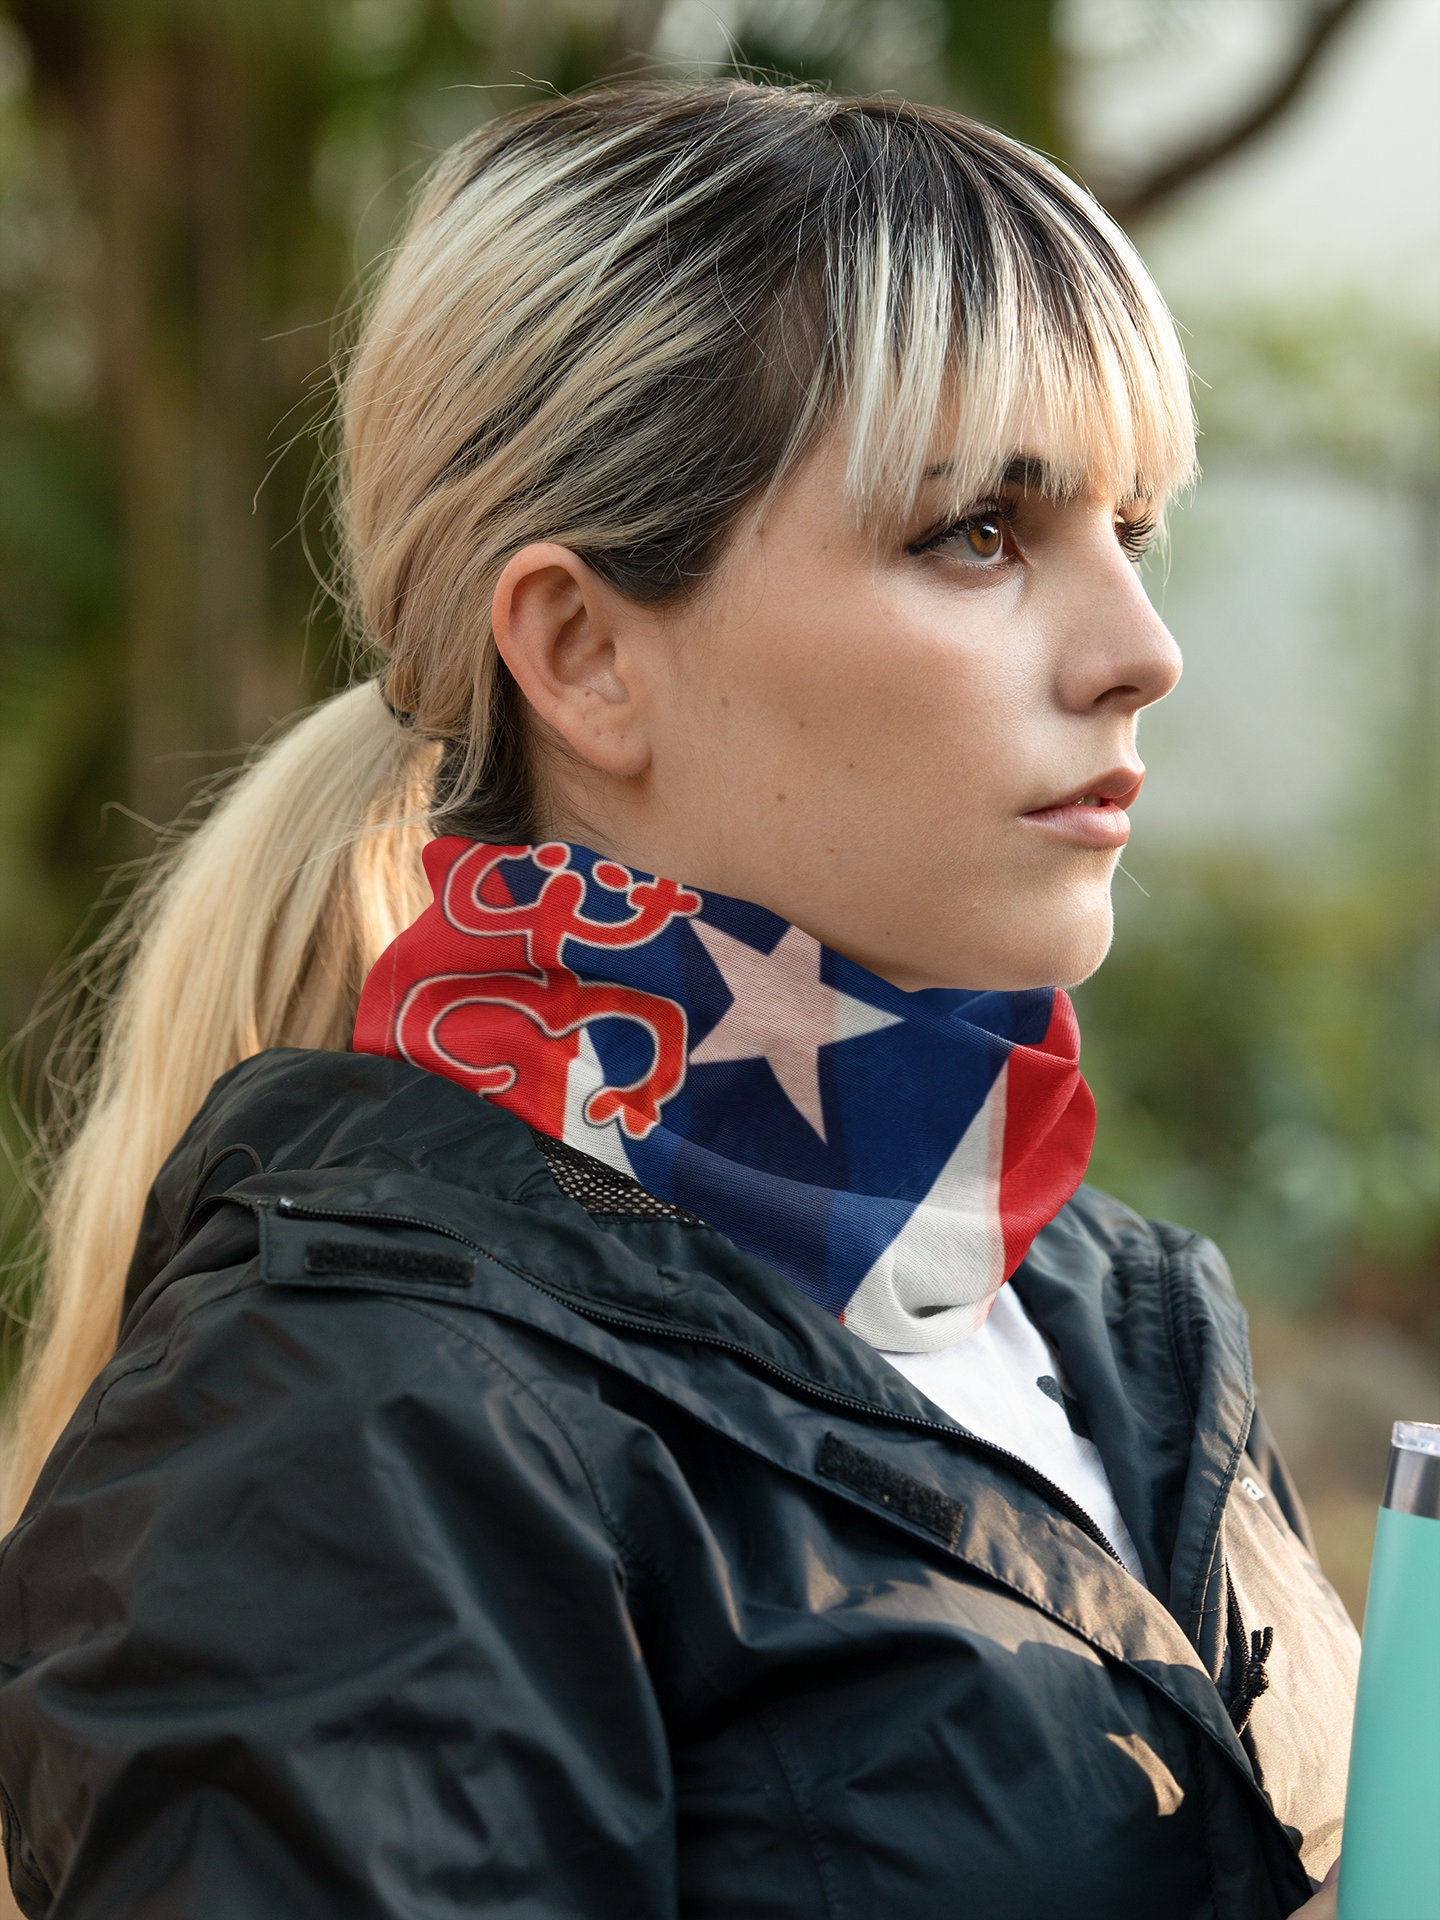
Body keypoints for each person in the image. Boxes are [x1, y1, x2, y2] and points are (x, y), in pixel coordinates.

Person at [0, 82, 1356, 1919]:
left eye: (1132, 526)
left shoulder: (1110, 1313)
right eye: (977, 533)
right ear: (583, 653)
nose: (1141, 650)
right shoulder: (349, 1417)